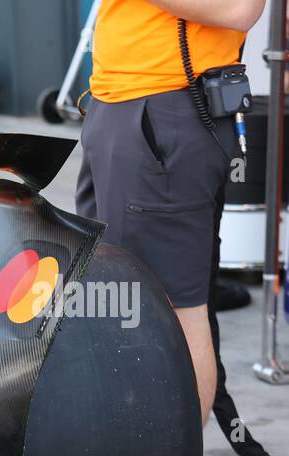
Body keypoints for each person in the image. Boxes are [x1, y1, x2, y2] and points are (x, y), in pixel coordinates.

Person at [77, 0, 266, 433]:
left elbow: (241, 9)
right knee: (112, 297)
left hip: (162, 108)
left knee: (169, 309)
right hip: (121, 102)